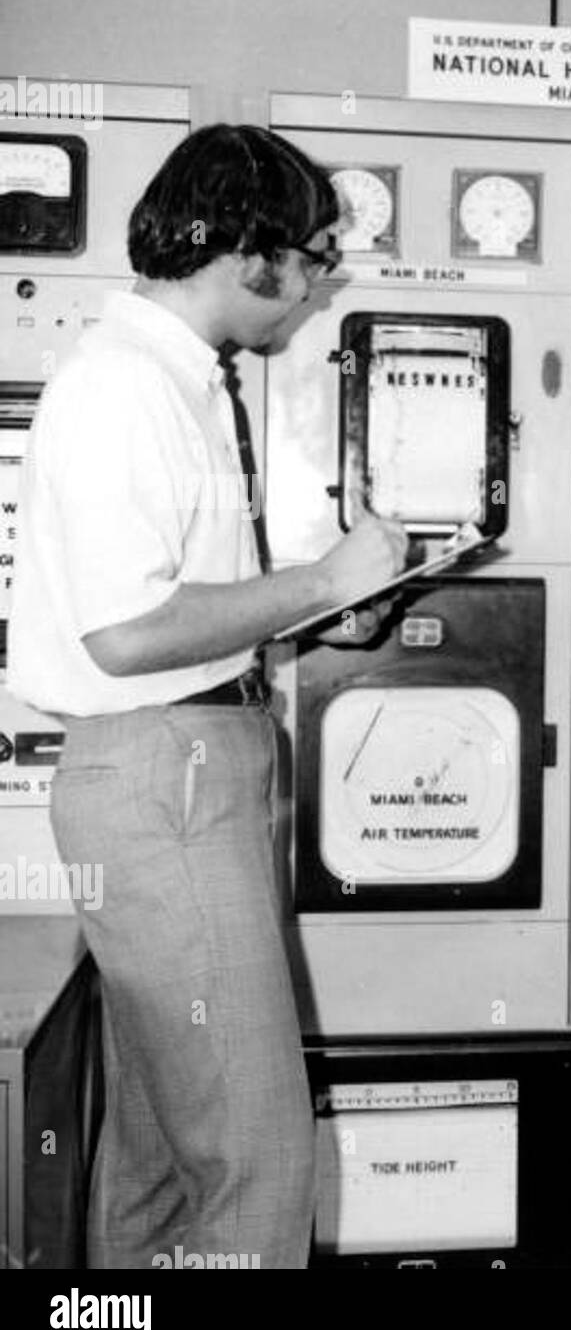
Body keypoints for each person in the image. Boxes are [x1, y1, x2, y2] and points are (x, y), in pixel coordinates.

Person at [8, 124, 409, 1267]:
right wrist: (325, 577)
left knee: (160, 1163)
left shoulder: (180, 381)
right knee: (256, 1155)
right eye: (316, 259)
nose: (316, 288)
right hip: (162, 777)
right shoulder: (121, 386)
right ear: (253, 254)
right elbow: (127, 631)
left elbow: (183, 603)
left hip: (183, 772)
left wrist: (313, 608)